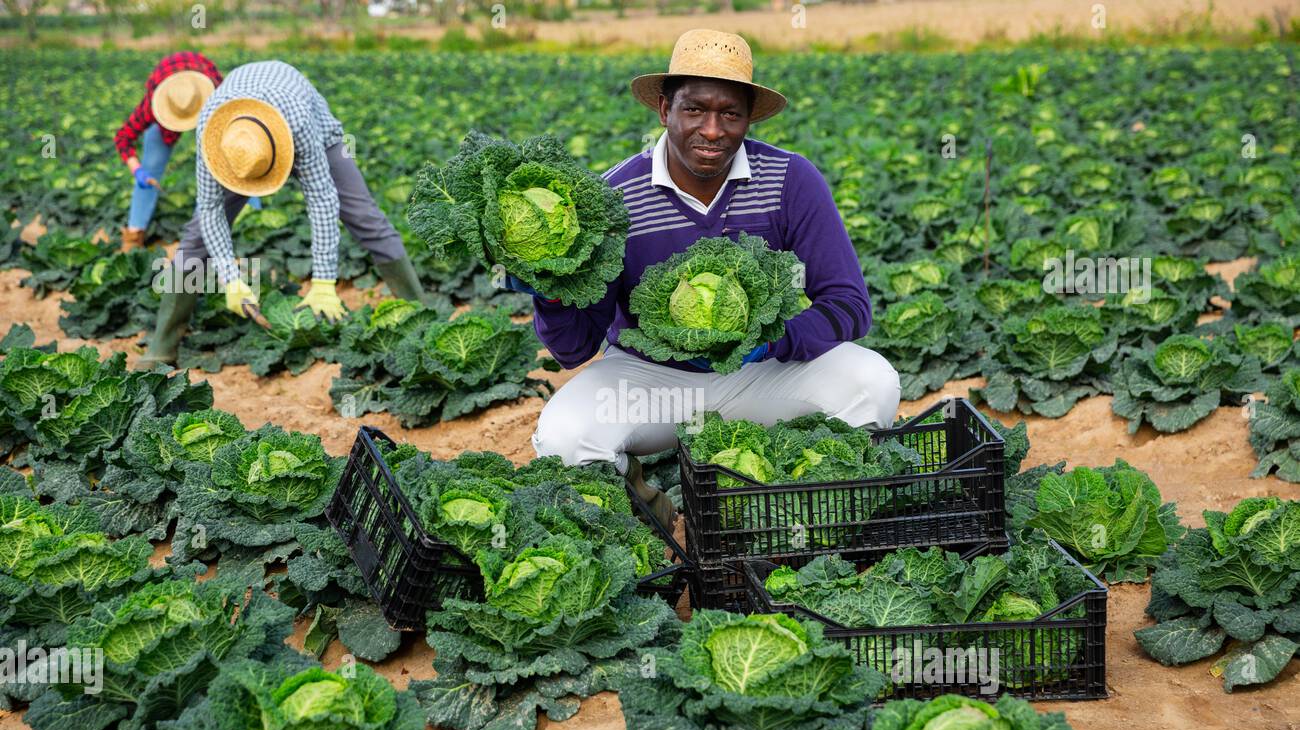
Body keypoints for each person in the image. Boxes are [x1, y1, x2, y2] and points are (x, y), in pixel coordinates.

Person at [514, 30, 900, 525]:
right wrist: (552, 293)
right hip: (652, 379)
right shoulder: (613, 197)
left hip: (759, 371)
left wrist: (773, 340)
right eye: (694, 109)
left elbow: (849, 304)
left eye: (730, 114)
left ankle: (806, 511)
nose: (713, 130)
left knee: (874, 383)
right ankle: (647, 507)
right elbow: (573, 350)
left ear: (747, 118)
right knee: (564, 437)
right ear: (664, 111)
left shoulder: (790, 179)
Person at [138, 60, 427, 368]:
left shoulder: (299, 120)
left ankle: (421, 315)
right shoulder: (213, 131)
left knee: (365, 217)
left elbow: (322, 198)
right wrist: (231, 279)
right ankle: (162, 347)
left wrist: (324, 282)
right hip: (240, 147)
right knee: (196, 238)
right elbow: (210, 209)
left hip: (319, 137)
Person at [115, 52, 223, 251]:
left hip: (210, 107)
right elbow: (123, 137)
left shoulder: (217, 96)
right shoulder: (153, 106)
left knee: (230, 162)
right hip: (166, 95)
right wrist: (137, 170)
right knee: (151, 165)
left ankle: (236, 218)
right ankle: (134, 234)